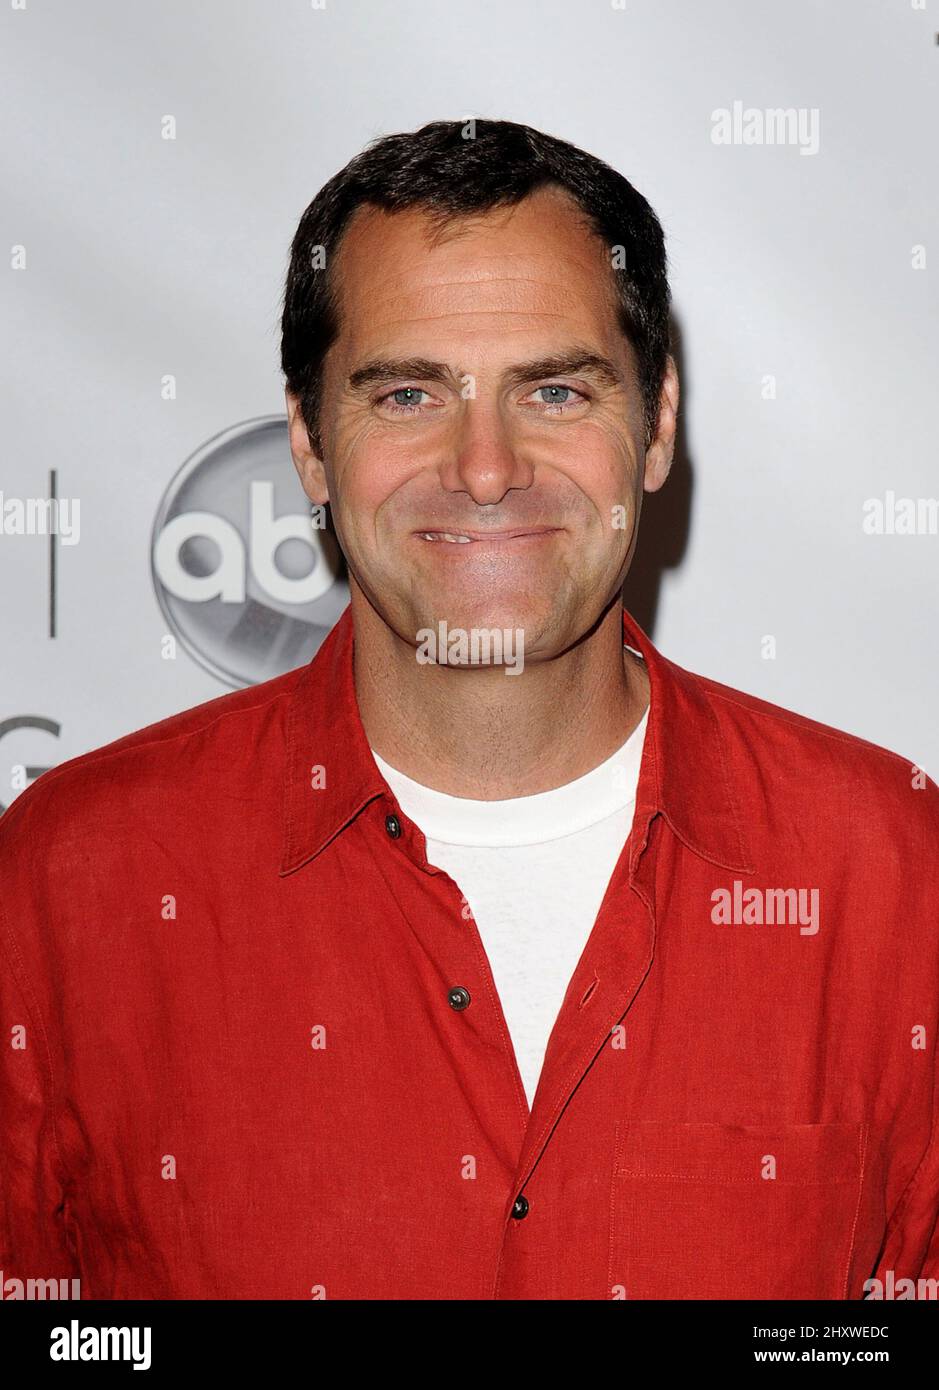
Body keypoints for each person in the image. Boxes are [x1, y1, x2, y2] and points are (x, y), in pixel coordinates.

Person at [1, 118, 936, 1301]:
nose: (486, 467)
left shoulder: (891, 871)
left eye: (553, 388)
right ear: (307, 442)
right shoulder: (67, 883)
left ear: (655, 424)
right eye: (406, 393)